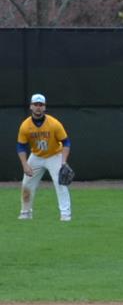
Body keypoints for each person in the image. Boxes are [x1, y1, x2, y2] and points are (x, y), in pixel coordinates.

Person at [18, 92, 72, 222]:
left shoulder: (53, 123)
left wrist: (63, 162)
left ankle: (65, 214)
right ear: (31, 106)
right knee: (26, 184)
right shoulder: (25, 126)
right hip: (36, 156)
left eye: (41, 105)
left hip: (54, 155)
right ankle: (26, 212)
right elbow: (21, 146)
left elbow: (66, 142)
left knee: (61, 184)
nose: (38, 107)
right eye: (35, 104)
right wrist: (25, 165)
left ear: (44, 107)